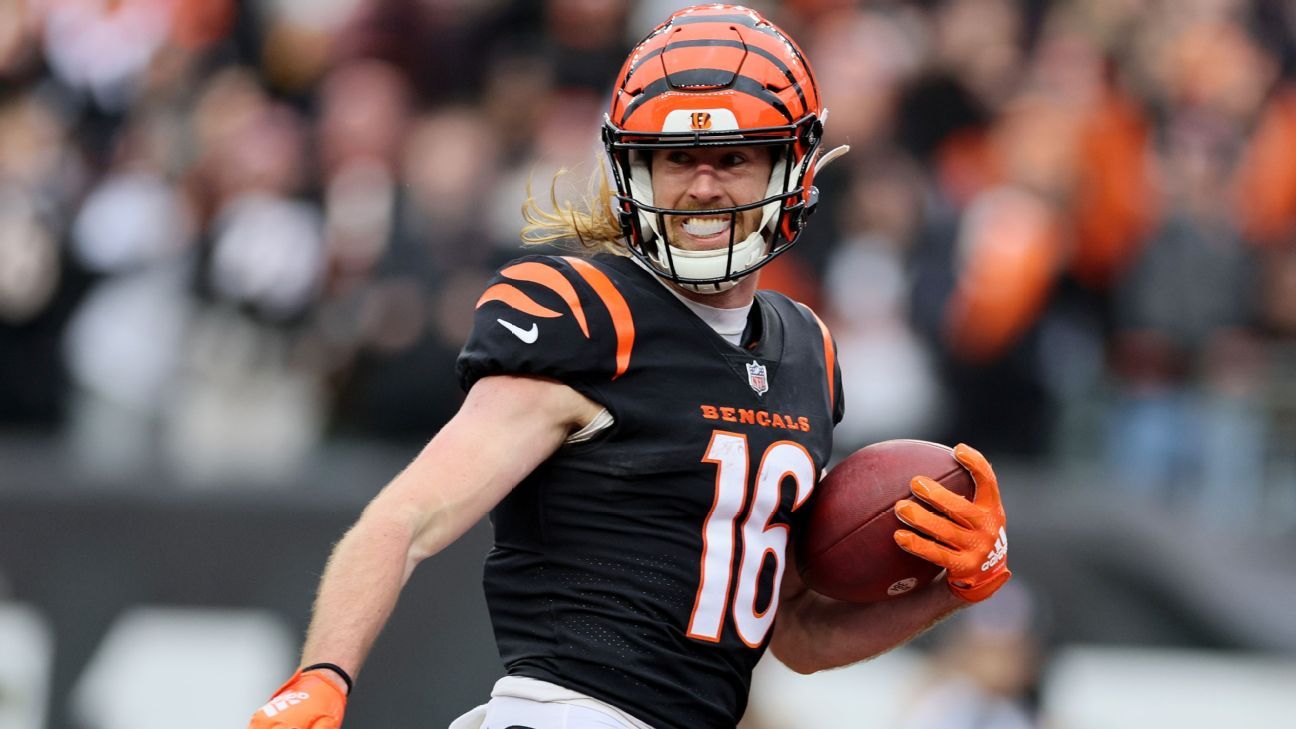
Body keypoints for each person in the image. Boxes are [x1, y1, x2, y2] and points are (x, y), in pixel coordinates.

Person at [246, 5, 1011, 729]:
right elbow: (405, 516)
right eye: (678, 157)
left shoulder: (805, 348)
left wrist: (948, 590)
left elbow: (797, 635)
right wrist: (322, 672)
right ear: (632, 169)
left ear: (792, 168)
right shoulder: (590, 315)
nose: (702, 185)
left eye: (733, 158)